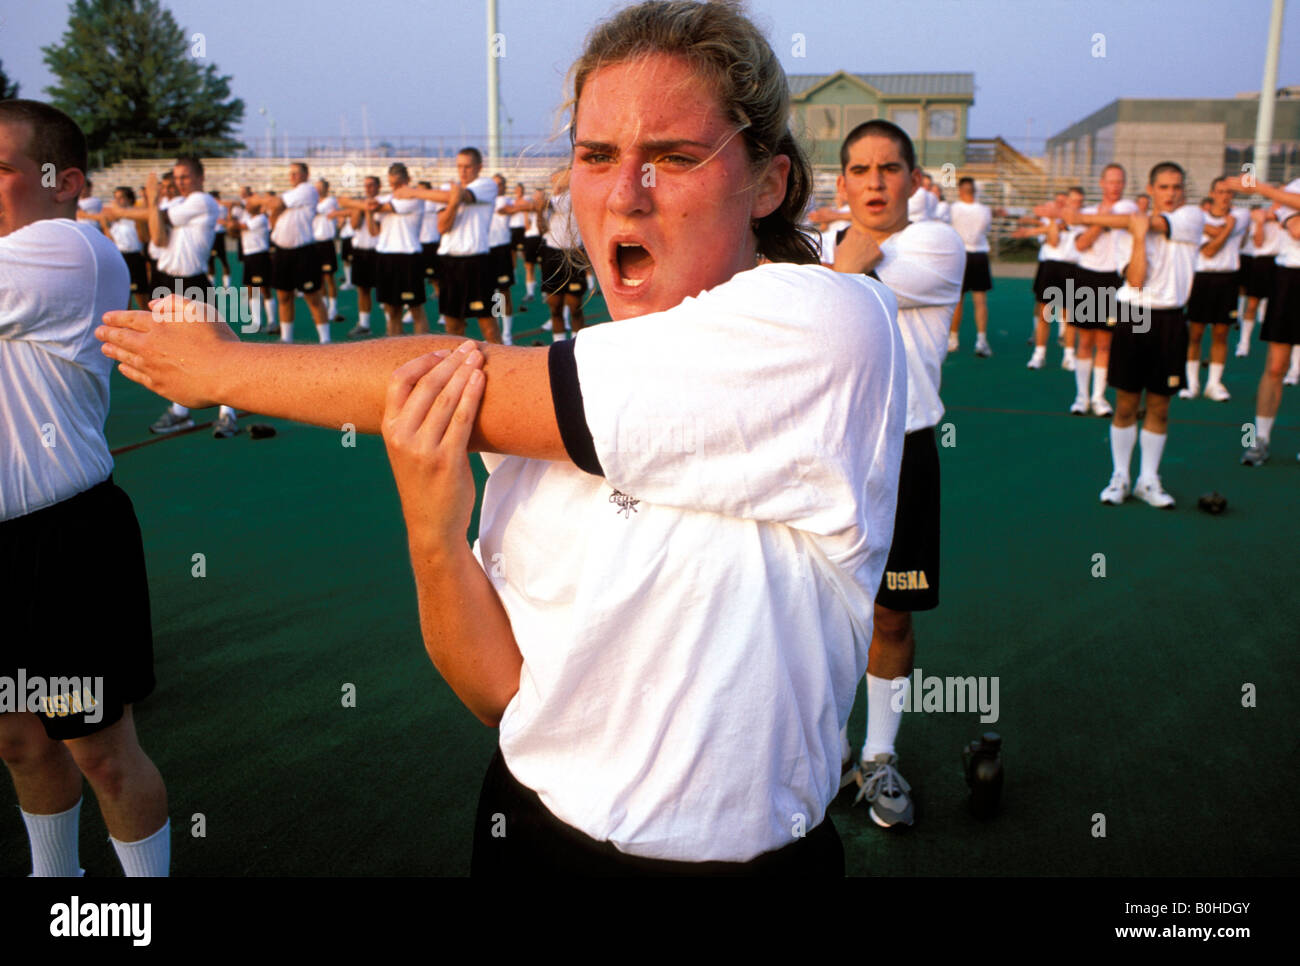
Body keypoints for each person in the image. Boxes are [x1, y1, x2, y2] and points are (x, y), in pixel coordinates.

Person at [97, 0, 907, 875]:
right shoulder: (548, 410)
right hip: (529, 832)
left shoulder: (827, 322)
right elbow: (500, 694)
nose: (625, 191)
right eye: (597, 156)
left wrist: (223, 367)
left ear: (770, 181)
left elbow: (462, 375)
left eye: (673, 156)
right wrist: (433, 533)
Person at [0, 98, 170, 878]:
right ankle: (54, 883)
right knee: (18, 738)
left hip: (62, 539)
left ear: (65, 182)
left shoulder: (67, 248)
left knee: (100, 751)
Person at [829, 119, 964, 828]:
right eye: (860, 169)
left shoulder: (936, 244)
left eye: (889, 168)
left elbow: (834, 293)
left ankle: (879, 756)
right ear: (842, 180)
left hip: (904, 453)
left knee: (891, 612)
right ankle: (821, 750)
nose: (875, 182)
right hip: (825, 452)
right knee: (805, 606)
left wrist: (823, 258)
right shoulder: (821, 246)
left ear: (914, 180)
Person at [1095, 161, 1204, 507]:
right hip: (1134, 315)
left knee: (1160, 405)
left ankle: (1149, 479)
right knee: (1126, 403)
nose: (1171, 194)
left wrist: (1134, 223)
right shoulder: (1129, 233)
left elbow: (1157, 222)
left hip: (1171, 318)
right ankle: (1121, 476)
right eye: (1164, 187)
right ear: (1152, 189)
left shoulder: (1191, 218)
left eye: (1177, 187)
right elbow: (1136, 280)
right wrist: (1138, 234)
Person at [107, 157, 240, 437]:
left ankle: (229, 411)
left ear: (200, 178)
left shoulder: (201, 200)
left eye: (185, 177)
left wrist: (144, 202)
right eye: (176, 177)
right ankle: (181, 411)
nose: (179, 182)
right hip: (168, 280)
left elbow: (155, 220)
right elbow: (157, 238)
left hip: (191, 281)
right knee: (174, 350)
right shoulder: (176, 204)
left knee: (213, 347)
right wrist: (151, 203)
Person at [1223, 175, 1300, 464]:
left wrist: (1259, 187)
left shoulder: (1283, 193)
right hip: (1291, 279)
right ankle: (1260, 439)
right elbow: (1297, 229)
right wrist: (1274, 193)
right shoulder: (1292, 188)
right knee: (1276, 365)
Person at [392, 148, 501, 343]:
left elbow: (463, 196)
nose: (463, 171)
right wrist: (453, 201)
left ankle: (503, 369)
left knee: (488, 324)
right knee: (453, 326)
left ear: (479, 167)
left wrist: (413, 192)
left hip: (478, 261)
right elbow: (442, 227)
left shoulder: (486, 185)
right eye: (459, 166)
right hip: (449, 262)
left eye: (468, 166)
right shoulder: (448, 190)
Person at [1063, 164, 1138, 417]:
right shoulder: (1086, 212)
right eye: (1111, 181)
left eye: (1120, 182)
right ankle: (1081, 397)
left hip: (1114, 278)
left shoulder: (1129, 209)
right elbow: (1082, 244)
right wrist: (1099, 221)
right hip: (1086, 276)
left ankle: (1099, 398)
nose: (1115, 186)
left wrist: (1101, 220)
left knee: (1106, 343)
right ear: (1101, 184)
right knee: (1084, 341)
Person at [248, 162, 330, 345]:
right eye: (290, 173)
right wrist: (270, 204)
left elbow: (276, 203)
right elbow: (273, 208)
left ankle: (326, 341)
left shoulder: (307, 190)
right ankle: (286, 338)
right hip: (282, 252)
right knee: (283, 296)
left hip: (303, 251)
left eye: (296, 173)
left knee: (313, 296)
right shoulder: (291, 194)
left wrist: (259, 200)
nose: (292, 176)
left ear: (306, 174)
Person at [1181, 177, 1248, 401]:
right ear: (1212, 193)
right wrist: (1226, 229)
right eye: (1220, 192)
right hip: (1202, 278)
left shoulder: (1241, 215)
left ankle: (1214, 383)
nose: (1224, 196)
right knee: (1196, 333)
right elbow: (1208, 252)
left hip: (1227, 278)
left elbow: (1214, 242)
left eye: (1228, 192)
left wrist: (1220, 229)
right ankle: (1191, 382)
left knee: (1221, 333)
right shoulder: (1199, 217)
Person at [947, 177, 993, 357]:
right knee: (980, 300)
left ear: (960, 190)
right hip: (979, 254)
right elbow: (985, 229)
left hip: (960, 254)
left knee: (958, 299)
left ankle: (953, 339)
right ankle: (981, 340)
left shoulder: (953, 209)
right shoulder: (985, 210)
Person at [312, 179, 343, 323]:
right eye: (316, 188)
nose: (317, 190)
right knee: (319, 279)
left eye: (320, 188)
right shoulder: (315, 202)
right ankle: (324, 307)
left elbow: (316, 210)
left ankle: (333, 308)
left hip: (326, 243)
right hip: (314, 243)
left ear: (326, 189)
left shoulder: (330, 201)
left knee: (329, 278)